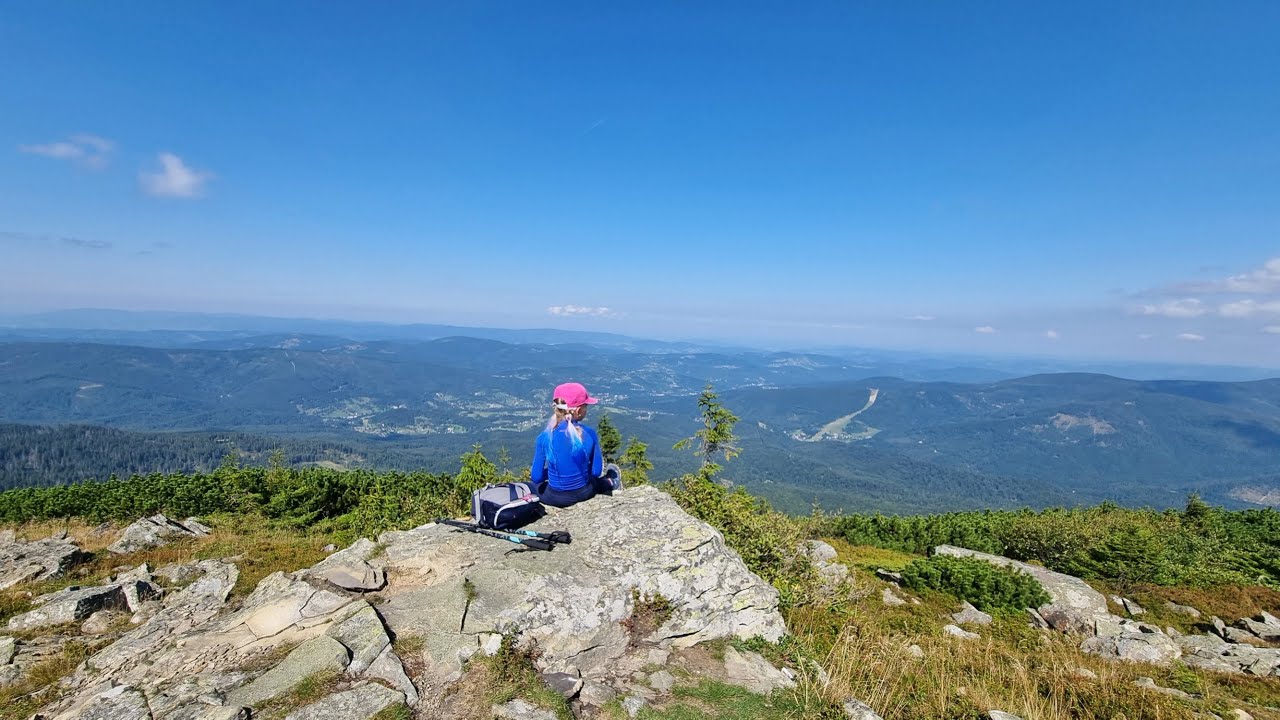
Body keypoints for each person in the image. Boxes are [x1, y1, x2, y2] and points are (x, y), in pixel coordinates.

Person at [530, 381, 620, 508]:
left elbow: (536, 477)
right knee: (595, 482)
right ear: (578, 410)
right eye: (585, 406)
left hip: (555, 498)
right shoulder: (589, 434)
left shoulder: (544, 437)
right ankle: (610, 482)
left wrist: (551, 472)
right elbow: (596, 472)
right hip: (584, 493)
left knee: (533, 486)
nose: (586, 409)